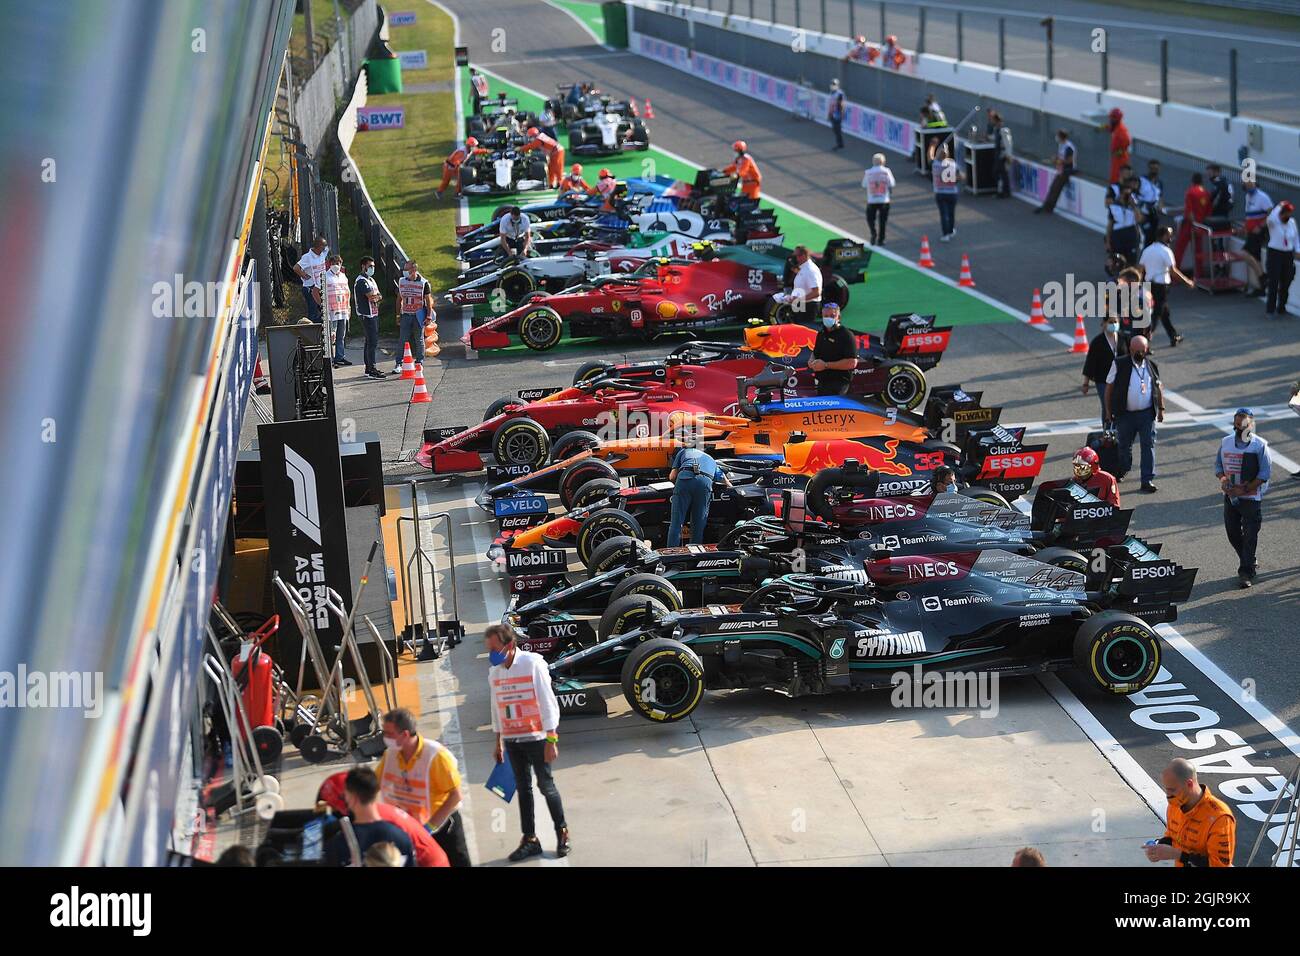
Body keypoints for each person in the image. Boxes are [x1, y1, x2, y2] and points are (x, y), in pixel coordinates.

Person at [485, 623, 569, 862]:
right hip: (512, 739)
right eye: (489, 648)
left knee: (546, 785)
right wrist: (498, 741)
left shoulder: (532, 664)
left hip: (536, 738)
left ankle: (561, 831)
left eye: (495, 648)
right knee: (523, 788)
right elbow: (496, 708)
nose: (492, 652)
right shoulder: (495, 672)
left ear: (510, 645)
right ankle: (530, 839)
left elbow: (547, 702)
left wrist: (551, 739)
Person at [374, 707, 470, 867]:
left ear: (404, 734)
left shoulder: (436, 756)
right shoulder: (390, 754)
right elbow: (374, 784)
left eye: (389, 734)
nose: (385, 738)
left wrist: (430, 827)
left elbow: (455, 796)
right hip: (411, 829)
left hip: (441, 827)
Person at [316, 770, 451, 867]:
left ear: (348, 799)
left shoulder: (378, 825)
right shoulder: (377, 812)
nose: (334, 814)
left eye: (334, 809)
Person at [1216, 408, 1272, 588]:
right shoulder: (1225, 442)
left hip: (1251, 498)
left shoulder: (1259, 445)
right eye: (1237, 420)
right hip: (1231, 497)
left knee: (1250, 535)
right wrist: (1223, 479)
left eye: (1244, 421)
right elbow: (1218, 466)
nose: (1240, 424)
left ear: (1251, 424)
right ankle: (1249, 559)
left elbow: (1264, 474)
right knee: (1232, 533)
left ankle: (1246, 571)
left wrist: (1246, 489)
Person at [1144, 758, 1235, 867]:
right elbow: (1172, 836)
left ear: (1189, 784)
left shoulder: (1219, 817)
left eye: (1172, 790)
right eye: (1166, 789)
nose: (1168, 795)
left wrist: (1179, 855)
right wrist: (1159, 848)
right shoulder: (1174, 805)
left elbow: (1219, 865)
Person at [1105, 334, 1164, 494]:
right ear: (1130, 349)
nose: (1139, 353)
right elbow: (1109, 388)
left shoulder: (1151, 365)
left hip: (1146, 415)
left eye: (1142, 350)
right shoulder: (1119, 364)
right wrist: (1108, 411)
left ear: (1146, 350)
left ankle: (1147, 479)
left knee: (1148, 445)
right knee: (1124, 445)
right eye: (1136, 350)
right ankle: (1123, 468)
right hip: (1125, 414)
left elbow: (1158, 387)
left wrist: (1161, 409)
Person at [324, 767, 415, 867]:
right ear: (375, 793)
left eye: (345, 794)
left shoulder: (340, 844)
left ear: (352, 797)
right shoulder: (401, 837)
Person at [1138, 226, 1191, 346]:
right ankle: (1144, 341)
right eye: (1170, 234)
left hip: (1148, 284)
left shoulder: (1147, 250)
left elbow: (1140, 269)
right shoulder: (1166, 251)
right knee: (1156, 314)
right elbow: (1173, 271)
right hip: (1161, 286)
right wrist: (1187, 281)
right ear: (1163, 235)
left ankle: (1173, 336)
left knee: (1163, 312)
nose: (1171, 237)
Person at [667, 442, 728, 546]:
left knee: (676, 523)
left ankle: (671, 554)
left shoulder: (684, 451)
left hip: (685, 477)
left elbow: (672, 477)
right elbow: (726, 483)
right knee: (699, 524)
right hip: (705, 482)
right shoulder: (712, 460)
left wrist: (679, 488)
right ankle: (694, 555)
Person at [1081, 313, 1123, 422]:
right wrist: (1086, 383)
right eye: (1110, 322)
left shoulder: (1124, 340)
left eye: (1115, 322)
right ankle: (1107, 429)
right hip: (1103, 380)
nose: (1113, 324)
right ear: (1103, 324)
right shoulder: (1097, 342)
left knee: (1120, 404)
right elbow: (1090, 363)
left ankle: (1120, 429)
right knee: (1107, 404)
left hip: (1121, 378)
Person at [393, 259, 434, 373]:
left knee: (419, 339)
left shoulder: (424, 283)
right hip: (406, 314)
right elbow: (399, 299)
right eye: (404, 269)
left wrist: (429, 316)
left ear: (414, 269)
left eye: (407, 269)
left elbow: (428, 300)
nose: (405, 271)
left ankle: (419, 362)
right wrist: (397, 315)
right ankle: (398, 363)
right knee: (402, 339)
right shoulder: (402, 281)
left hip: (418, 315)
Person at [809, 302, 858, 396]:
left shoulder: (846, 335)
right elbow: (815, 352)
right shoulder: (821, 334)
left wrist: (826, 365)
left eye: (832, 316)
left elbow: (852, 362)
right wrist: (811, 360)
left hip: (839, 384)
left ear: (838, 317)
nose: (828, 318)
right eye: (826, 316)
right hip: (822, 382)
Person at [314, 254, 351, 367]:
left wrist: (349, 308)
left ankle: (340, 357)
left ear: (341, 264)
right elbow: (315, 291)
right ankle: (329, 359)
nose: (336, 265)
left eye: (338, 263)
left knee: (341, 336)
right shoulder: (324, 276)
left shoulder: (344, 276)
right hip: (331, 312)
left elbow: (347, 293)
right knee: (331, 336)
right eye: (334, 263)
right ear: (329, 264)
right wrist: (322, 305)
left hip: (343, 311)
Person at [1264, 200, 1299, 317]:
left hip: (1287, 254)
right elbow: (1271, 217)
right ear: (1281, 213)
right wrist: (1279, 206)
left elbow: (1295, 238)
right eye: (1286, 213)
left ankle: (1282, 307)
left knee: (1287, 280)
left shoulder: (1292, 222)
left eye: (1289, 213)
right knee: (1273, 281)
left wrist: (1298, 250)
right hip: (1275, 253)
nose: (1288, 216)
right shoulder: (1273, 222)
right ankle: (1270, 309)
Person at [1239, 180, 1273, 295]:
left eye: (1250, 184)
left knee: (1244, 253)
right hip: (1251, 231)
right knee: (1256, 257)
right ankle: (1262, 286)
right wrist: (1245, 227)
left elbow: (1271, 214)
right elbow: (1248, 215)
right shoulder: (1248, 197)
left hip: (1259, 231)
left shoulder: (1263, 197)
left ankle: (1263, 277)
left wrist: (1260, 226)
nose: (1248, 187)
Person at [772, 244, 822, 321]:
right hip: (801, 304)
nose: (795, 258)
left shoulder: (810, 270)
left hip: (808, 307)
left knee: (804, 329)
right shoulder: (802, 268)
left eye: (797, 255)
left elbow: (816, 292)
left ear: (804, 255)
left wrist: (798, 299)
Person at [1173, 172, 1211, 270]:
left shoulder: (1190, 192)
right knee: (1198, 250)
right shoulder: (1206, 193)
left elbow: (1189, 211)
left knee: (1179, 249)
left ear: (1192, 181)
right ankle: (1199, 274)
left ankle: (1174, 276)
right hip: (1200, 225)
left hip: (1189, 224)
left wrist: (1193, 224)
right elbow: (1208, 212)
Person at [1105, 178, 1144, 270]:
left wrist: (1134, 206)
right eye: (1125, 194)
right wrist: (1107, 241)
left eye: (1129, 194)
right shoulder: (1114, 206)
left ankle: (1131, 279)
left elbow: (1139, 219)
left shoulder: (1135, 206)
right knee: (1117, 261)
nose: (1127, 196)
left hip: (1131, 234)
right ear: (1121, 194)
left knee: (1131, 261)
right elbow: (1110, 225)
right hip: (1118, 235)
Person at [354, 256, 383, 379]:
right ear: (363, 266)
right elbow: (371, 297)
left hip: (374, 313)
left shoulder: (371, 280)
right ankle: (372, 369)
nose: (372, 268)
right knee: (372, 342)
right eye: (370, 266)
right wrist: (375, 296)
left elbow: (379, 295)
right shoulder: (361, 281)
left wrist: (376, 296)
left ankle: (368, 368)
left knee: (370, 342)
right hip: (367, 315)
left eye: (373, 266)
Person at [1035, 129, 1075, 215]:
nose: (1056, 137)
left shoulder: (1068, 147)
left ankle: (1048, 207)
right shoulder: (1061, 145)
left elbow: (1069, 160)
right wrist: (1055, 158)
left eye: (1057, 136)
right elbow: (1060, 156)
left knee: (1055, 188)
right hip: (1060, 169)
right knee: (1053, 188)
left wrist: (1059, 161)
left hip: (1066, 170)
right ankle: (1047, 206)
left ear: (1061, 137)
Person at [293, 235, 328, 322]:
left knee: (323, 313)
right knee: (314, 314)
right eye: (323, 246)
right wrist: (303, 275)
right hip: (311, 288)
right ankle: (312, 333)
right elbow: (296, 268)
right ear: (318, 246)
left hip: (320, 287)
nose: (325, 248)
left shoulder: (322, 254)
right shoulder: (307, 257)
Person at [862, 153, 896, 245]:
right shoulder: (886, 171)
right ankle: (881, 239)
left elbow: (864, 184)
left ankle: (873, 233)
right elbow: (892, 183)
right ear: (883, 162)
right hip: (884, 200)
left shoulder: (868, 172)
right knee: (883, 221)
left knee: (870, 219)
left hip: (872, 200)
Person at [932, 142, 962, 242]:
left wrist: (932, 146)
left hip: (940, 192)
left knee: (943, 214)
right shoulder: (953, 164)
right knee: (951, 213)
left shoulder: (935, 164)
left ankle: (945, 234)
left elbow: (930, 158)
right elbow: (959, 177)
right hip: (952, 192)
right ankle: (951, 230)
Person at [1137, 159, 1164, 244]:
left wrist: (1161, 207)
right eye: (1152, 169)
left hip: (1154, 213)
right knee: (1146, 235)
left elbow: (1160, 197)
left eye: (1156, 169)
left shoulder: (1159, 183)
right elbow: (1135, 195)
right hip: (1143, 213)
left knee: (1153, 237)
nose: (1154, 171)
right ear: (1149, 168)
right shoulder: (1141, 180)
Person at [987, 109, 1012, 198]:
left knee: (1002, 174)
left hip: (1002, 155)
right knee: (998, 173)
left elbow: (1008, 144)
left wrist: (1008, 155)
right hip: (998, 154)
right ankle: (1001, 191)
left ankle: (1005, 192)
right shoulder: (996, 129)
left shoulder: (1004, 131)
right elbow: (995, 138)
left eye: (993, 120)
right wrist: (987, 137)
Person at [1205, 163, 1233, 229]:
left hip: (1219, 212)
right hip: (1225, 211)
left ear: (1216, 172)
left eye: (1210, 174)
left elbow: (1212, 198)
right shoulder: (1226, 181)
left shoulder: (1219, 184)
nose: (1209, 176)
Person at [1107, 108, 1130, 186]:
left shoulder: (1121, 130)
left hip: (1120, 158)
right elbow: (1111, 129)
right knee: (1114, 177)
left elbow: (1127, 141)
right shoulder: (1116, 128)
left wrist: (1119, 152)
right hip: (1116, 158)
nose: (1110, 120)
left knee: (1118, 179)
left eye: (1112, 118)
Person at [827, 79, 845, 151]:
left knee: (837, 129)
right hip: (833, 113)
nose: (832, 86)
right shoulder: (831, 93)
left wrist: (841, 113)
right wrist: (830, 113)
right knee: (835, 129)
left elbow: (841, 104)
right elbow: (831, 104)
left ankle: (840, 144)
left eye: (834, 85)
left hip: (837, 114)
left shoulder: (839, 94)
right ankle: (840, 143)